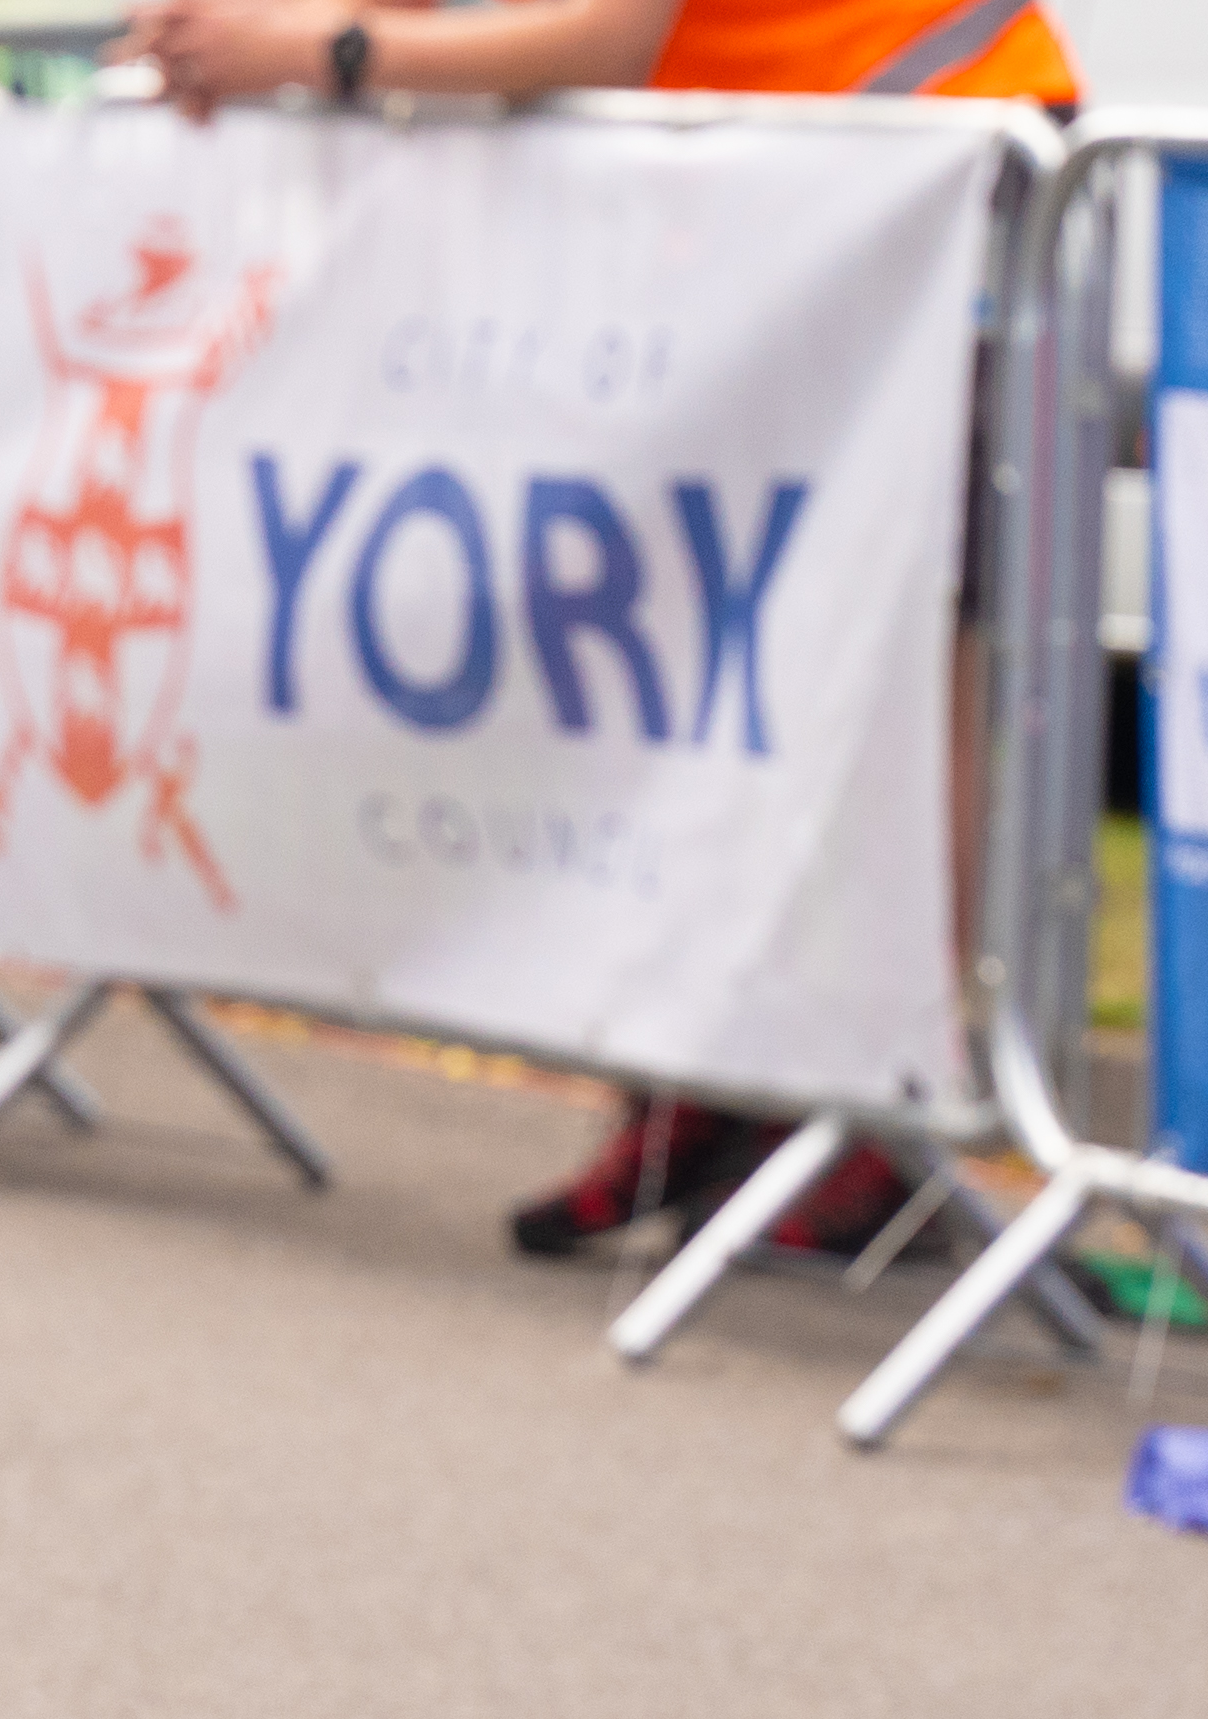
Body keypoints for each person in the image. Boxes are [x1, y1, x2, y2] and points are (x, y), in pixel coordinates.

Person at [121, 0, 1065, 1267]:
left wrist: (311, 54)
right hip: (803, 189)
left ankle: (862, 1112)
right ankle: (702, 1092)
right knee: (714, 646)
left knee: (891, 652)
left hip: (930, 176)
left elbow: (601, 35)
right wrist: (224, 39)